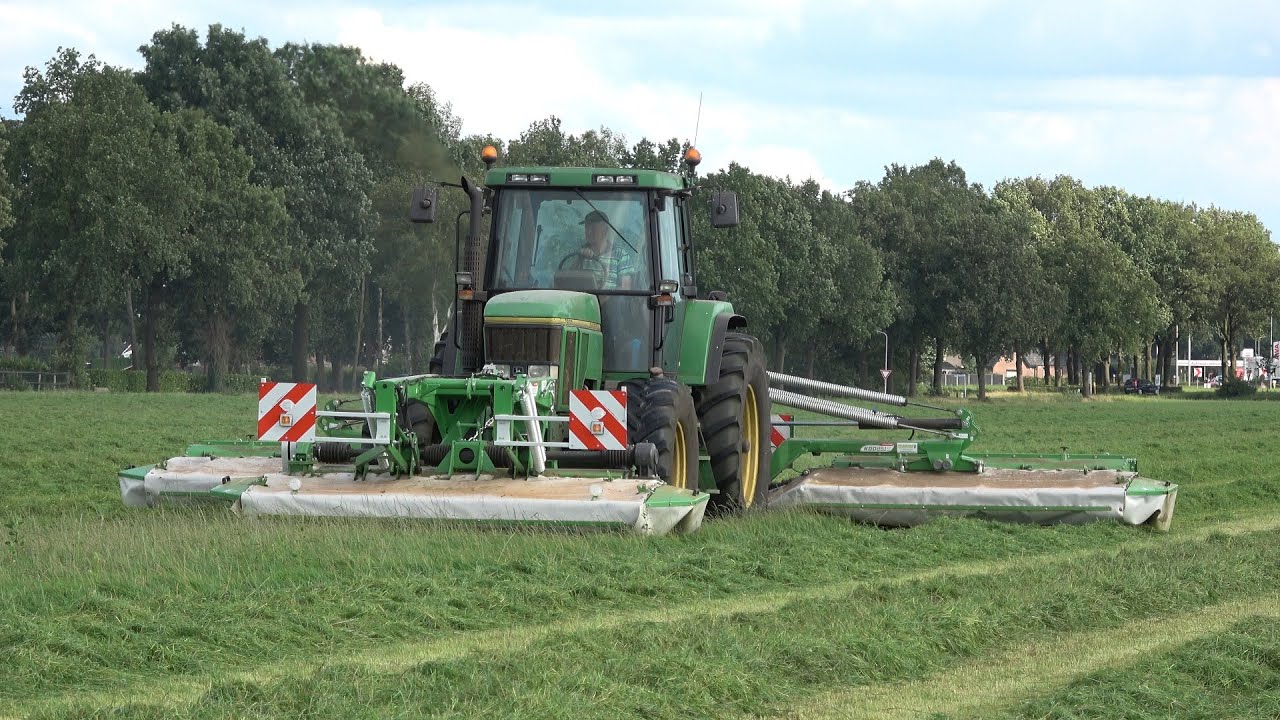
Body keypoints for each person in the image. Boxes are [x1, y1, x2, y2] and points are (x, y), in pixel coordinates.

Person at [574, 210, 638, 290]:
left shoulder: (620, 255)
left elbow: (625, 287)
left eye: (593, 228)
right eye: (586, 227)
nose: (588, 231)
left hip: (611, 297)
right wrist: (579, 259)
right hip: (585, 297)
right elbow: (569, 281)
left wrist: (605, 295)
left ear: (605, 231)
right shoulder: (581, 254)